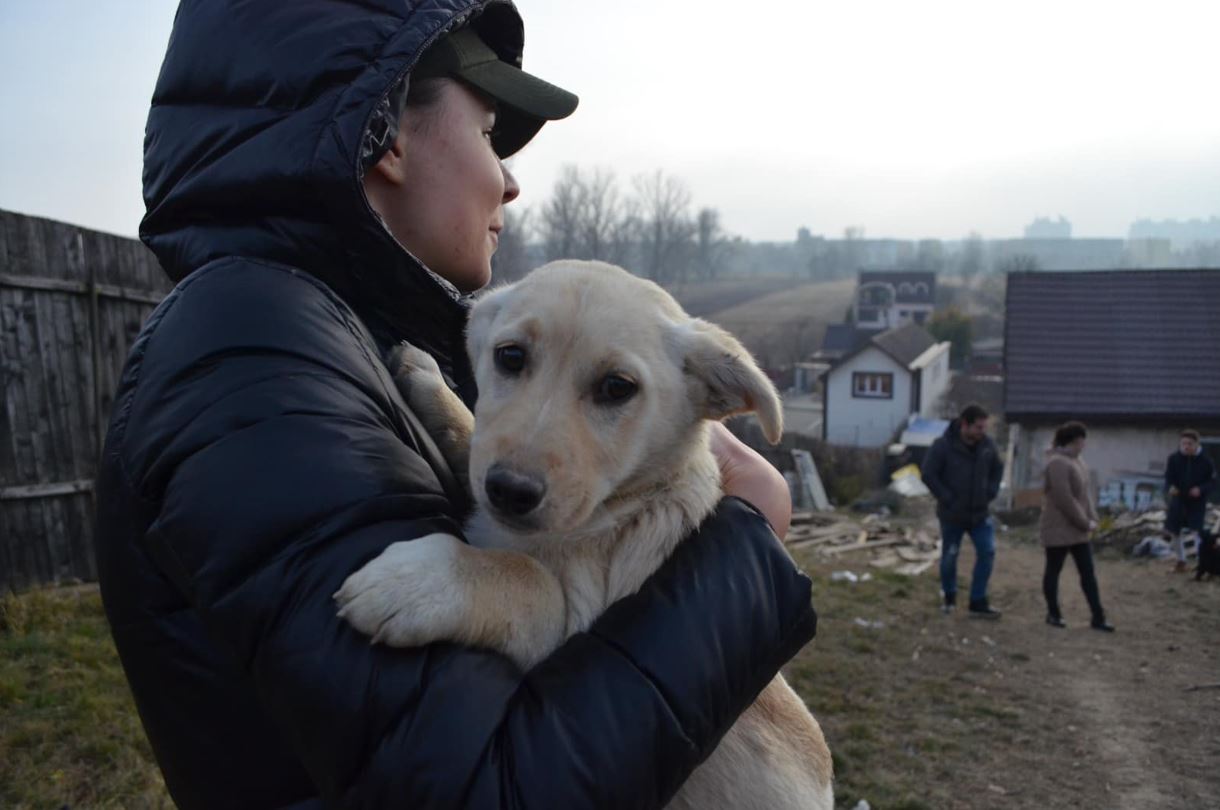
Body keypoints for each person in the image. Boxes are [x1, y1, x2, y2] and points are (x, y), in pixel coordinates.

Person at [94, 3, 817, 808]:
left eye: (612, 389)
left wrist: (455, 425)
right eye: (487, 136)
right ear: (389, 138)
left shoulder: (331, 336)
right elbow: (487, 780)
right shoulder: (252, 346)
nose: (510, 180)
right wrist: (748, 540)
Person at [921, 403, 1005, 618]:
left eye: (984, 428)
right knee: (950, 557)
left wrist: (991, 491)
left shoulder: (987, 446)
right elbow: (928, 474)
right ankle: (949, 596)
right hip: (952, 515)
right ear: (964, 425)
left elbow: (998, 468)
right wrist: (948, 498)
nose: (982, 432)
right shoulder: (942, 446)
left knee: (987, 552)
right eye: (978, 427)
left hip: (979, 514)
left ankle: (978, 601)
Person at [1038, 422, 1114, 632]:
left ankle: (1098, 616)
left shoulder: (1077, 461)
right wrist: (1084, 521)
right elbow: (1065, 498)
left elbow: (1084, 495)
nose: (1084, 445)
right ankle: (1053, 614)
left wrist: (1093, 517)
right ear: (1073, 441)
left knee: (1088, 573)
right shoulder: (1057, 463)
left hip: (1078, 529)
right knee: (1053, 570)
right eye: (1082, 440)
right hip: (1058, 527)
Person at [1164, 429, 1216, 573]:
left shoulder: (1206, 461)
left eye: (1189, 444)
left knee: (1196, 531)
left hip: (1197, 501)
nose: (1186, 447)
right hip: (1178, 499)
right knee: (1174, 531)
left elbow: (1212, 482)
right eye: (1183, 443)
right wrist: (1171, 487)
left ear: (1196, 444)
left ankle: (1202, 562)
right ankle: (1181, 561)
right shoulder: (1174, 459)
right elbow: (1168, 478)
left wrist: (1200, 489)